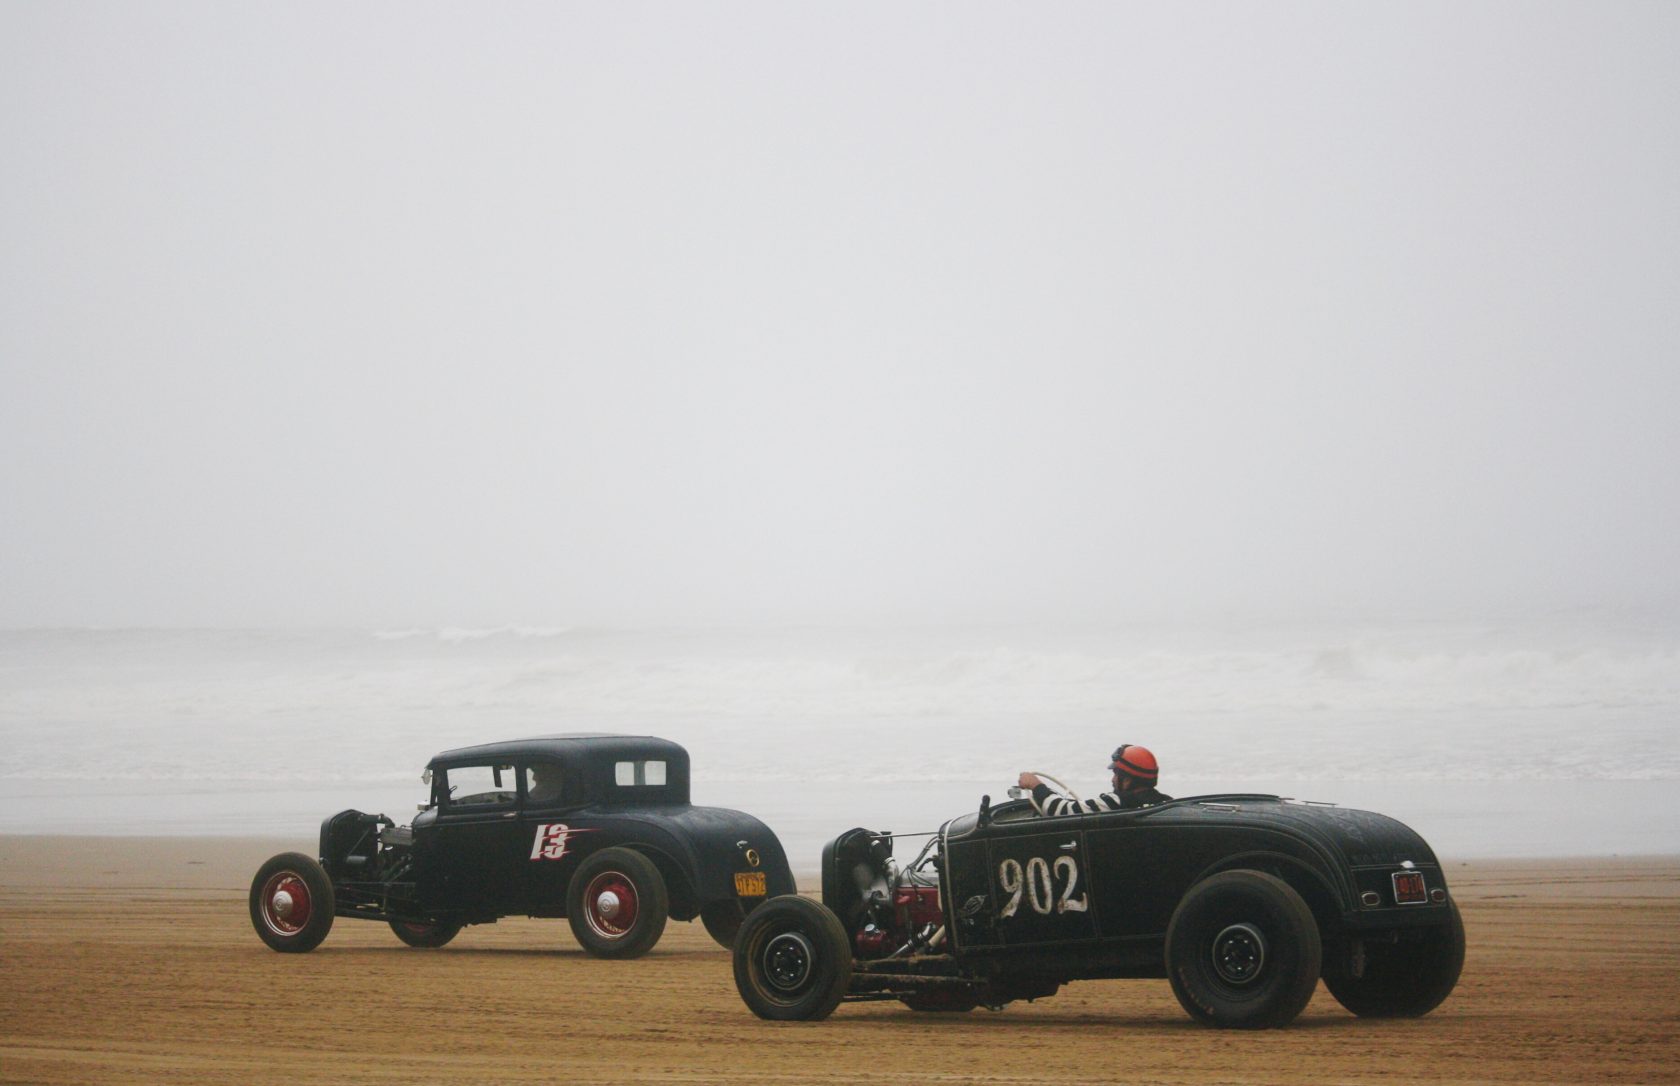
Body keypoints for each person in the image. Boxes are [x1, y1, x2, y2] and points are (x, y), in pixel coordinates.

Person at [1019, 744, 1171, 816]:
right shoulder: (1166, 803)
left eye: (1116, 775)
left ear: (1127, 781)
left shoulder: (1116, 802)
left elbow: (1061, 811)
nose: (1112, 780)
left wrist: (1036, 785)